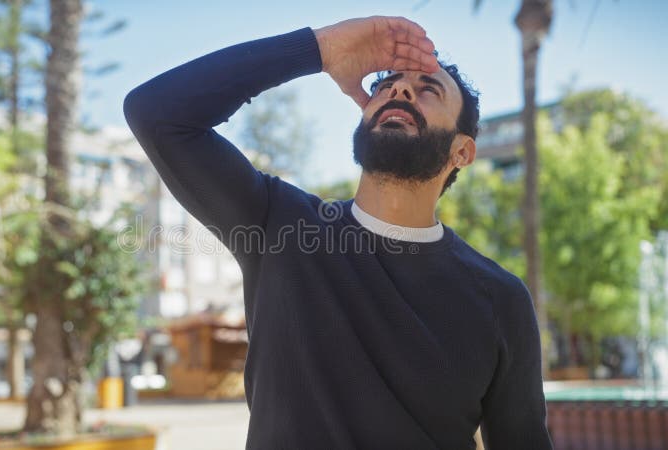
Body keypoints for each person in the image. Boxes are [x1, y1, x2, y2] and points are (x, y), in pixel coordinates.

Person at [124, 16, 552, 450]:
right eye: (386, 84)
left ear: (462, 151)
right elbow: (156, 113)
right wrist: (321, 49)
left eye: (428, 90)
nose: (399, 91)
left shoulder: (500, 299)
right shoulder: (280, 225)